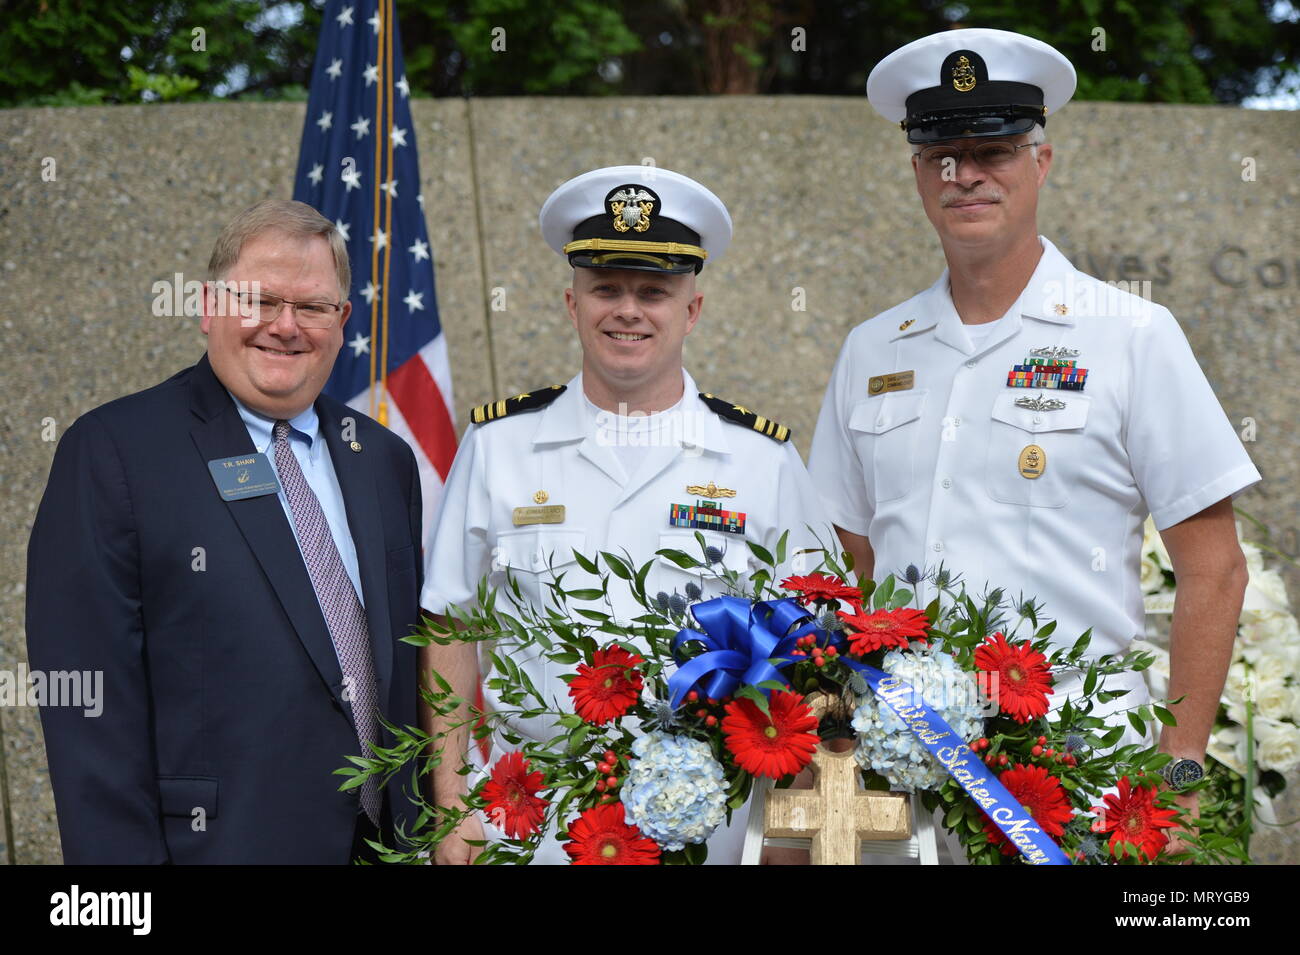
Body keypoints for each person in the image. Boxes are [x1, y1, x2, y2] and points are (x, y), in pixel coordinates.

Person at [808, 28, 1260, 851]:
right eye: (943, 155)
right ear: (919, 173)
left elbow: (1215, 567)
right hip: (903, 778)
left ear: (1041, 162)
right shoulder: (871, 350)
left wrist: (1181, 770)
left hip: (1075, 774)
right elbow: (848, 566)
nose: (967, 173)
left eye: (995, 151)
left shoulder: (1131, 335)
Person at [420, 165, 833, 864]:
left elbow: (815, 647)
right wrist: (451, 804)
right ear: (571, 302)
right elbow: (450, 625)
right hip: (531, 820)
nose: (628, 311)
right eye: (606, 288)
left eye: (653, 292)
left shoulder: (761, 460)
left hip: (713, 827)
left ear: (692, 310)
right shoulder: (498, 448)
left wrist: (792, 827)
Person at [26, 199, 424, 864]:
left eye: (312, 306)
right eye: (259, 300)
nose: (285, 326)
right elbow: (89, 708)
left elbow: (405, 667)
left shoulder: (383, 459)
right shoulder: (115, 452)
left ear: (342, 321)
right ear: (208, 306)